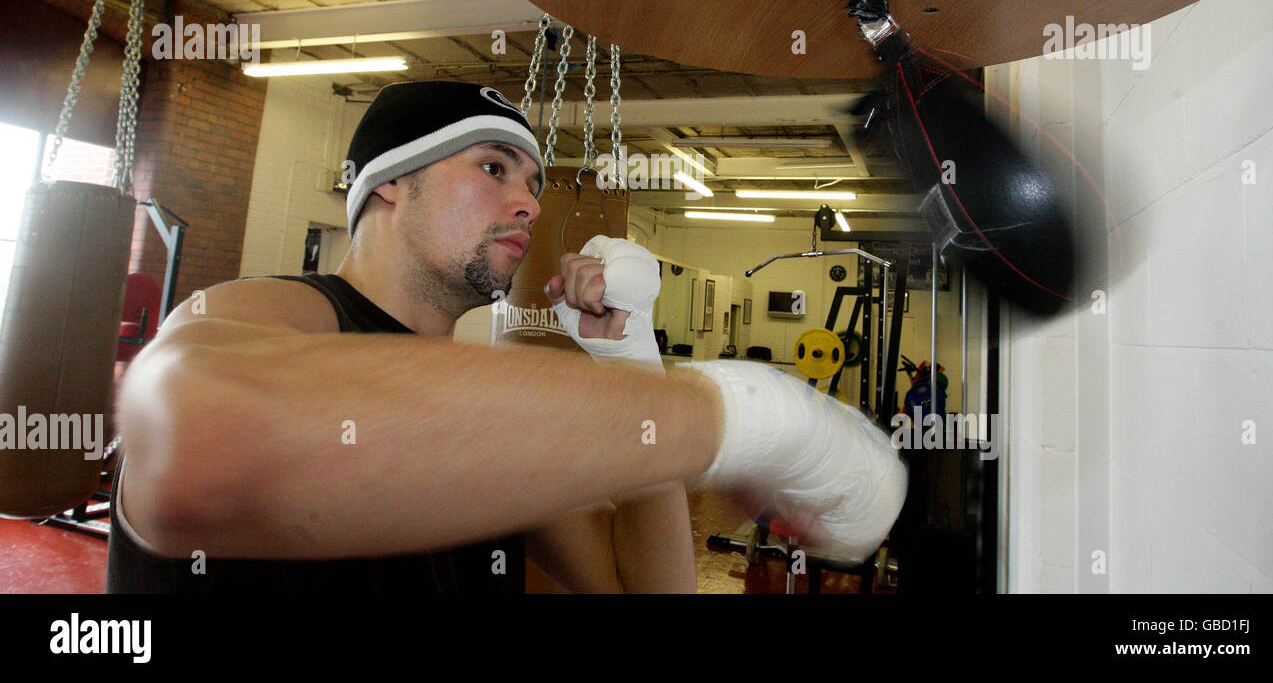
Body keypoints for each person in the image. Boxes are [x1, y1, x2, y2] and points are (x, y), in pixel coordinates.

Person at [108, 81, 907, 593]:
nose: (527, 203)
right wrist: (749, 418)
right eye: (493, 169)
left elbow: (642, 589)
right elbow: (201, 443)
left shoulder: (479, 419)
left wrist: (636, 365)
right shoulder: (273, 312)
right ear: (390, 179)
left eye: (532, 184)